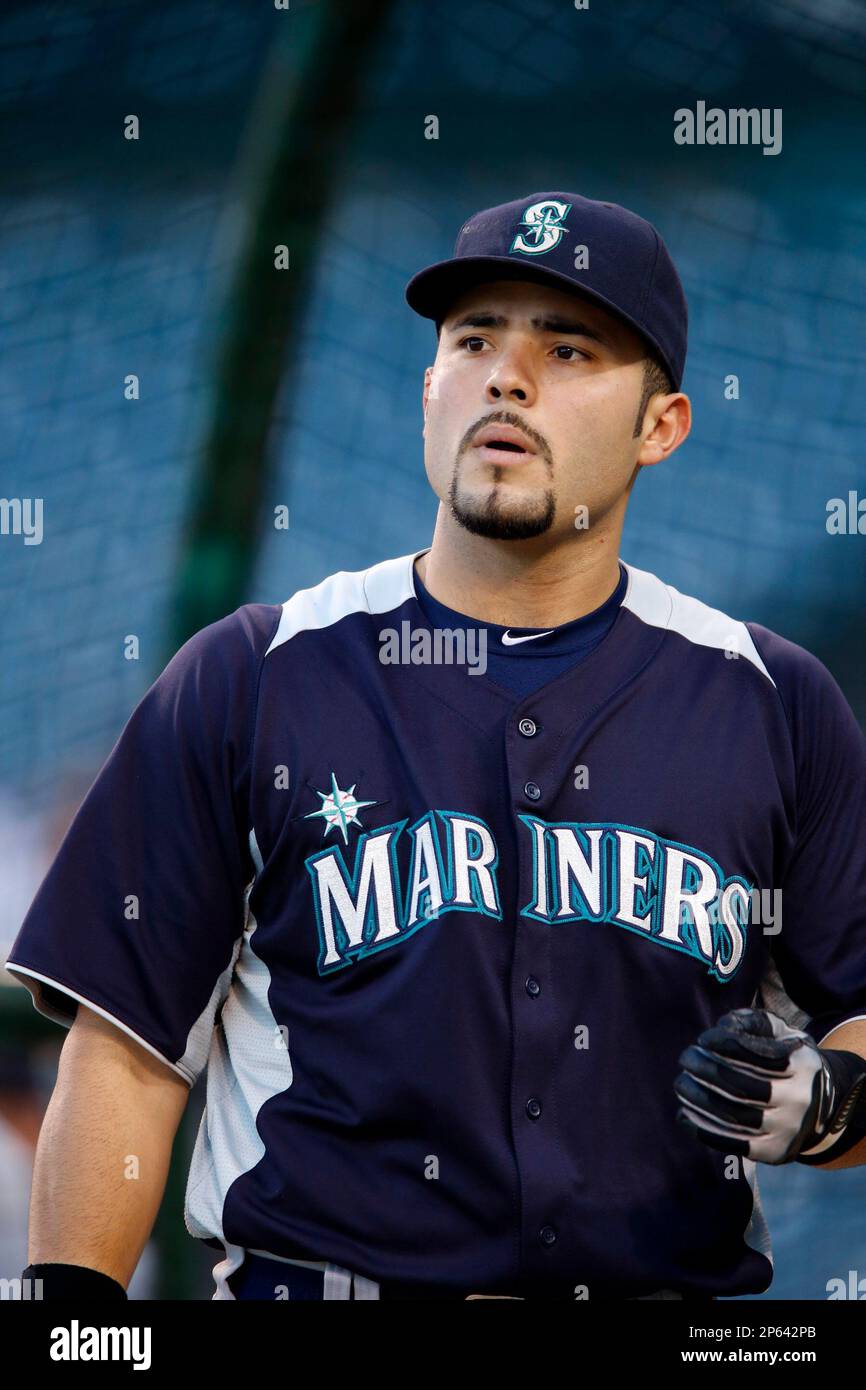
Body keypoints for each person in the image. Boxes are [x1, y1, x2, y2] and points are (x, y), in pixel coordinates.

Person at [6, 191, 866, 1302]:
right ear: (426, 389)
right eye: (473, 341)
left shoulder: (770, 698)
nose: (506, 377)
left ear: (662, 424)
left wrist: (829, 1100)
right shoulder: (255, 675)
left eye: (567, 348)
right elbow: (126, 1049)